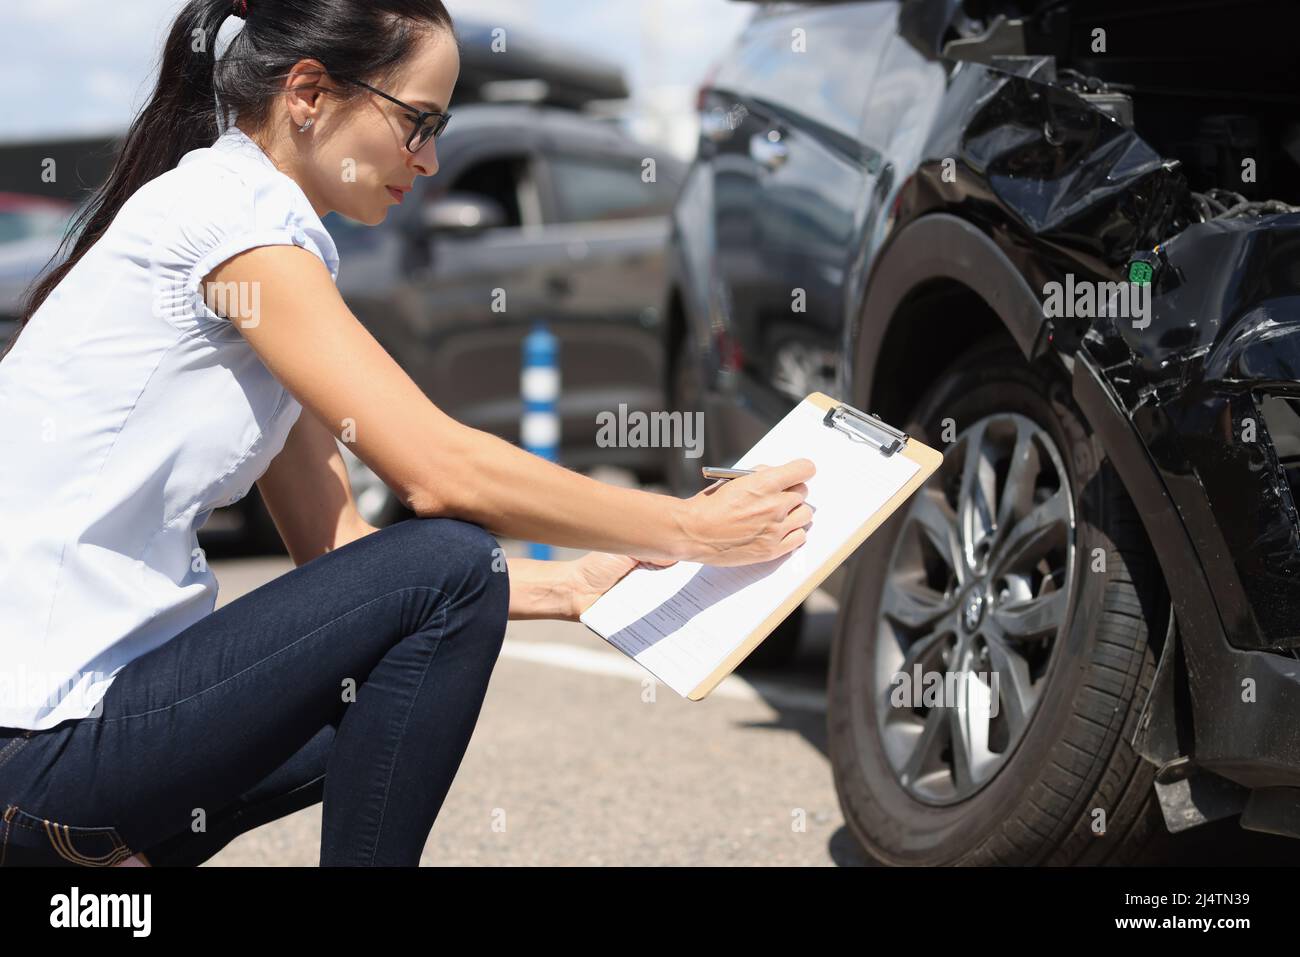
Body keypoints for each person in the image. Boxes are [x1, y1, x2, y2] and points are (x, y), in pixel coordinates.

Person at [0, 0, 814, 867]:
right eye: (417, 122)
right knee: (452, 567)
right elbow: (437, 472)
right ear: (308, 92)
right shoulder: (231, 221)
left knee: (409, 645)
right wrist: (688, 527)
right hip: (43, 743)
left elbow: (337, 548)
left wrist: (571, 585)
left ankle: (101, 870)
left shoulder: (240, 223)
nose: (428, 159)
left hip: (69, 746)